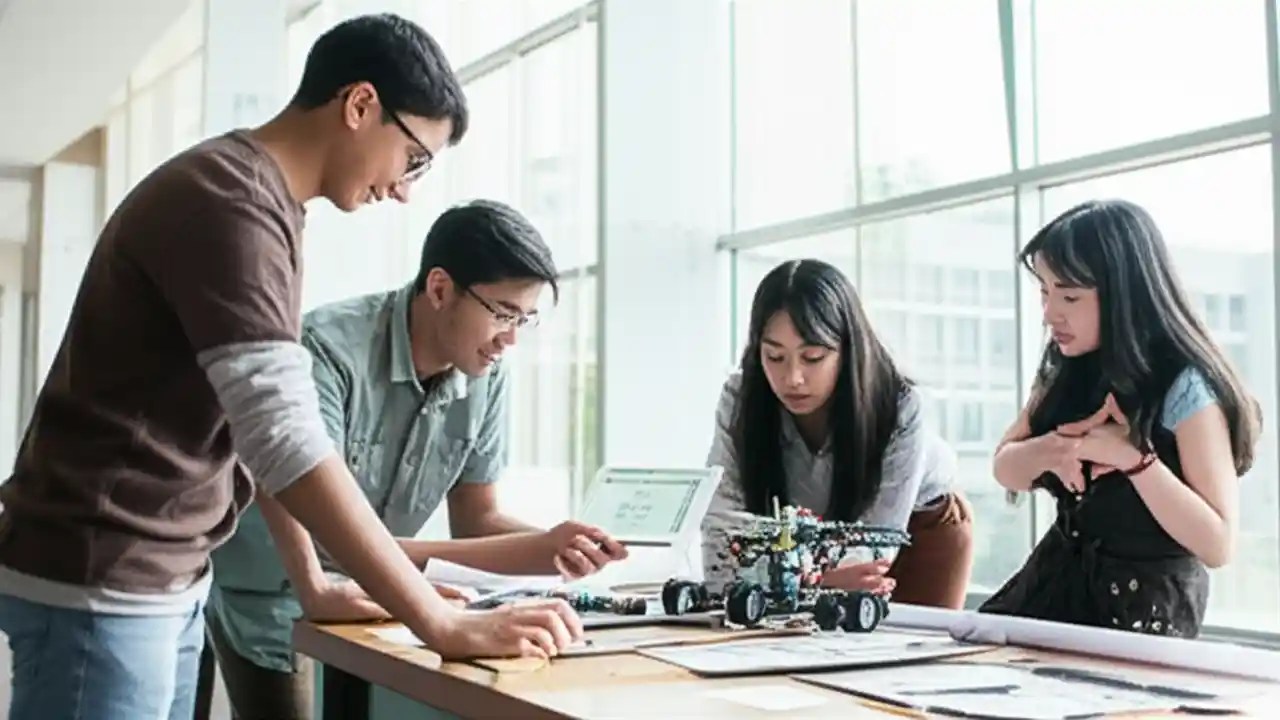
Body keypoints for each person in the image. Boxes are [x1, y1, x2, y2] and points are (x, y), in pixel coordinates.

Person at [0, 14, 582, 720]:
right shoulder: (230, 204)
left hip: (156, 572)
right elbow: (285, 441)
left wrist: (313, 582)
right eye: (415, 158)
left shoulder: (262, 203)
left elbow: (254, 431)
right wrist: (440, 622)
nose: (405, 190)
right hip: (107, 573)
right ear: (361, 105)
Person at [198, 199, 628, 719]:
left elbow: (477, 519)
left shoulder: (485, 375)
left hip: (387, 594)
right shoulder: (327, 349)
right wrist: (320, 588)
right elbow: (306, 505)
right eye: (502, 314)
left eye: (525, 319)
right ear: (441, 289)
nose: (511, 339)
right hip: (277, 592)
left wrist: (556, 546)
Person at [981, 199, 1261, 638]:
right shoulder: (1064, 364)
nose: (1050, 312)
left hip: (1143, 606)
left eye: (1069, 295)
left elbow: (1217, 543)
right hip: (1059, 584)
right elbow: (1005, 467)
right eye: (1044, 291)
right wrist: (1056, 449)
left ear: (1124, 293)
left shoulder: (1185, 384)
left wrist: (1133, 459)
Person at [702, 259, 973, 608]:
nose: (793, 378)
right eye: (774, 356)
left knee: (905, 654)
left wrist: (792, 579)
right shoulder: (741, 398)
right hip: (806, 549)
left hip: (919, 529)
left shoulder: (901, 406)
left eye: (813, 357)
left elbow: (875, 550)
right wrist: (812, 580)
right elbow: (719, 533)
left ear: (848, 351)